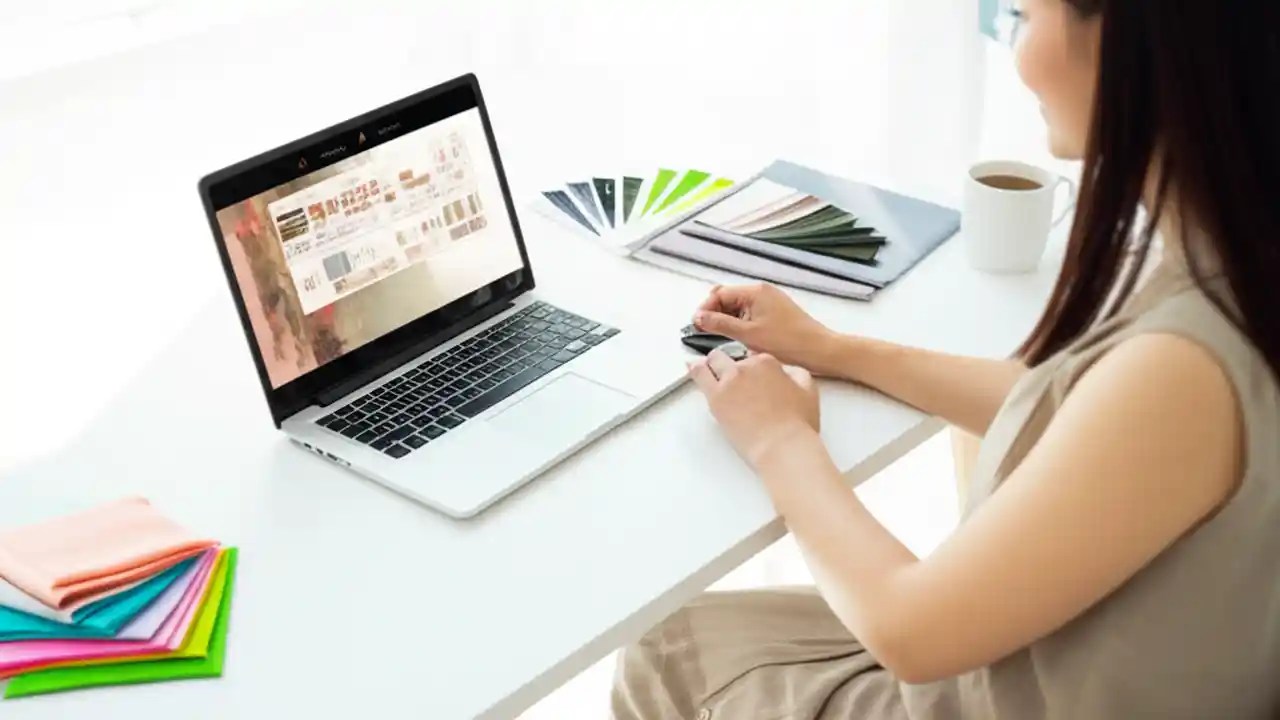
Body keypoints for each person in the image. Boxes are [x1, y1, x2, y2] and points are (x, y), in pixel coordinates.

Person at [612, 1, 1280, 718]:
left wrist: (780, 439)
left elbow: (911, 631)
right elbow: (1072, 409)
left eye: (1025, 14)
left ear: (1122, 36)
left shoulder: (1185, 365)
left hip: (1007, 687)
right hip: (1094, 662)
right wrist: (838, 351)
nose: (1017, 51)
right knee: (688, 634)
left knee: (665, 654)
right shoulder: (1235, 256)